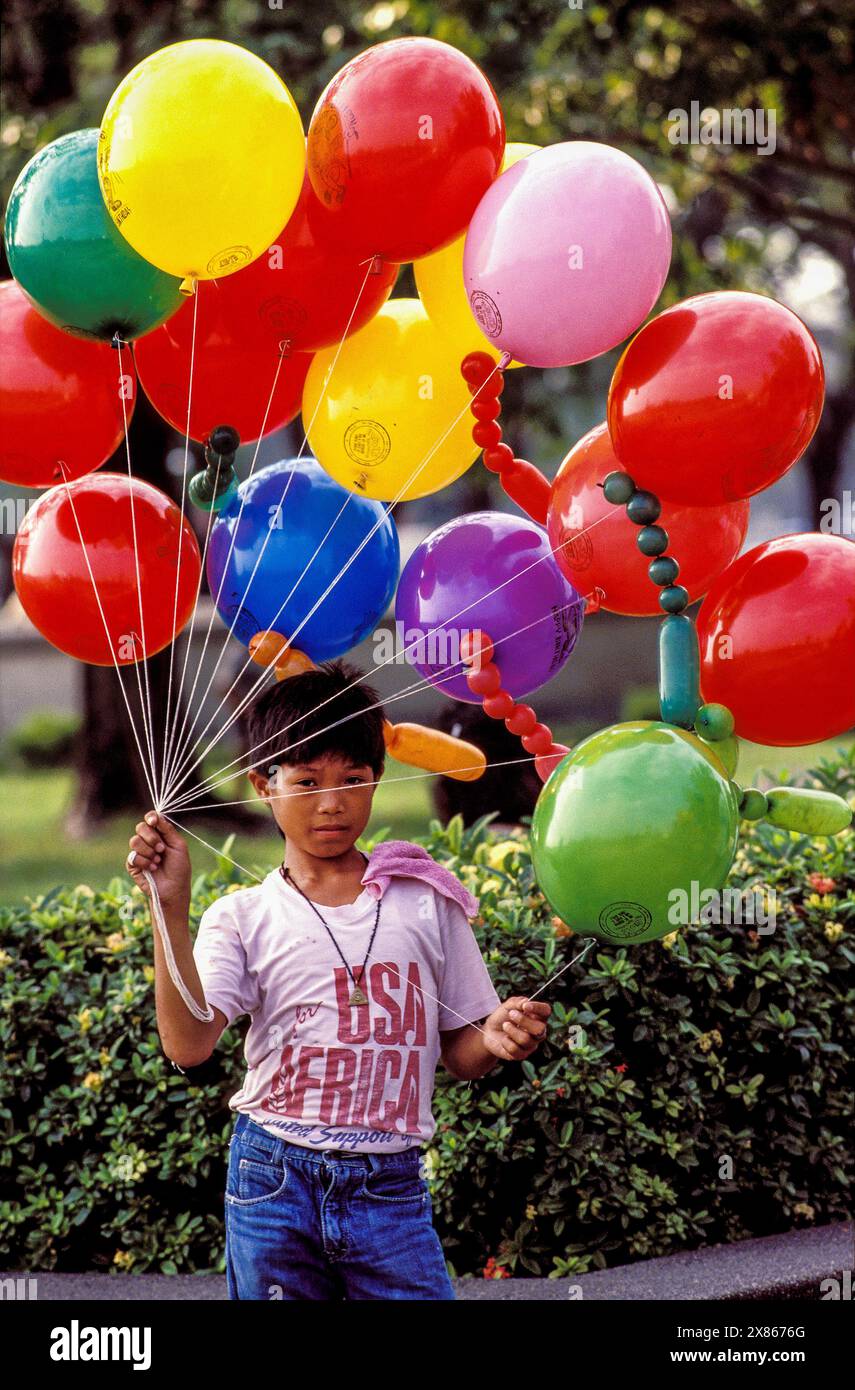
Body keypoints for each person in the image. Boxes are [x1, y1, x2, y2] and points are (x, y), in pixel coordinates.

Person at [126, 658, 551, 1301]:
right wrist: (169, 906)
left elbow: (463, 1053)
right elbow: (189, 1045)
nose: (332, 803)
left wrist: (494, 1039)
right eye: (306, 781)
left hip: (390, 1188)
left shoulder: (425, 898)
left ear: (378, 777)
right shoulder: (243, 918)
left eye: (354, 778)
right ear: (263, 786)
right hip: (273, 1178)